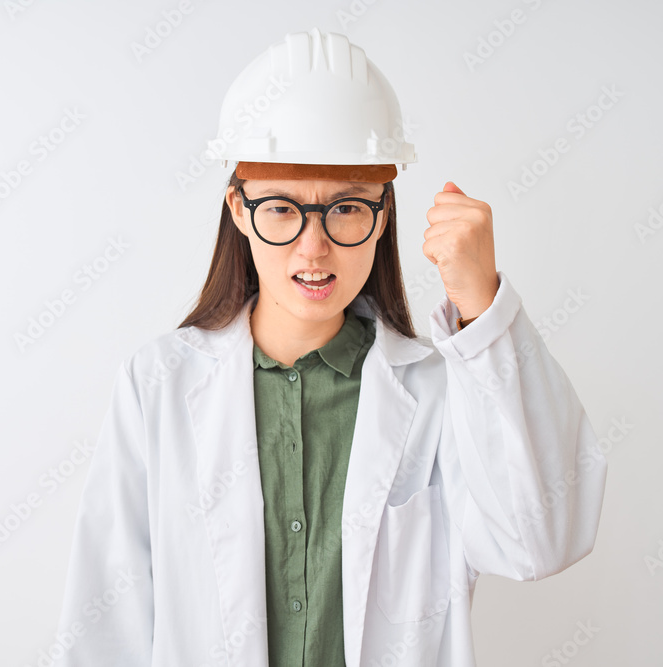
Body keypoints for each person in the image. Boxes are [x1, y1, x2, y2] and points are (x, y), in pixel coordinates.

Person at [52, 27, 607, 667]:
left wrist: (484, 310)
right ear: (238, 209)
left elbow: (540, 542)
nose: (313, 248)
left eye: (345, 208)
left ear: (383, 213)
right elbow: (106, 618)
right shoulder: (158, 383)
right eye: (281, 209)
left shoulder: (440, 389)